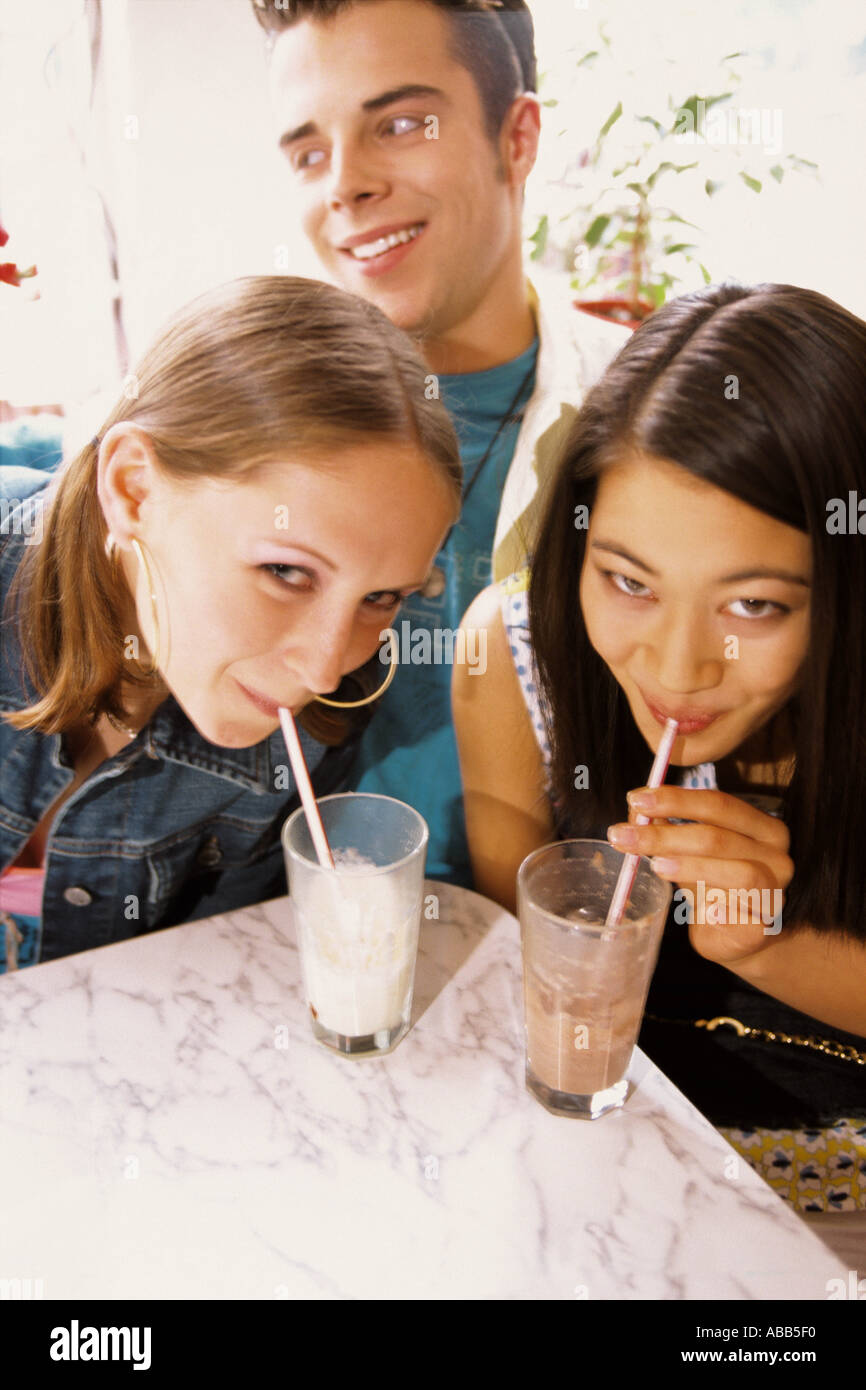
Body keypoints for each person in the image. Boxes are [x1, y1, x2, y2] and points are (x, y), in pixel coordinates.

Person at [454, 282, 866, 1215]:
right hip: (617, 1183)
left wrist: (767, 945)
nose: (678, 667)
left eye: (754, 604)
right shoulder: (513, 657)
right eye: (630, 582)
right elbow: (528, 979)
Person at [250, 0, 630, 887]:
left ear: (518, 137)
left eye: (402, 123)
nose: (345, 184)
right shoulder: (225, 425)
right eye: (309, 152)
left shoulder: (650, 417)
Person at [0, 275, 461, 972]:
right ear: (135, 488)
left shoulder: (316, 726)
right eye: (286, 573)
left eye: (381, 598)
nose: (324, 668)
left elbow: (202, 977)